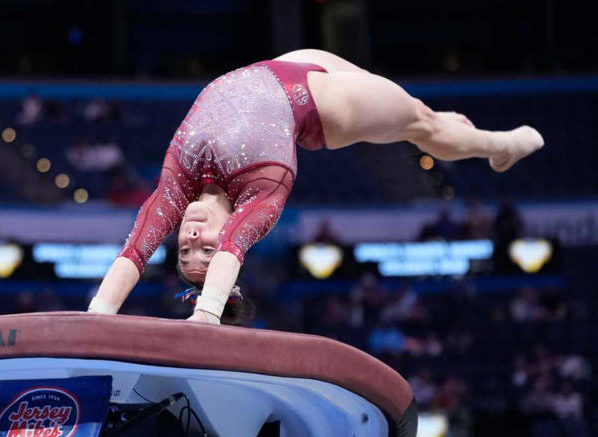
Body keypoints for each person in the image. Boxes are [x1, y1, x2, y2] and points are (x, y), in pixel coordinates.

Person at [88, 49, 544, 324]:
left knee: (414, 109)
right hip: (320, 106)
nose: (190, 239)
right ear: (226, 235)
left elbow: (134, 250)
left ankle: (442, 121)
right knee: (422, 124)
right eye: (204, 249)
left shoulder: (176, 187)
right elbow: (234, 249)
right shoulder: (263, 187)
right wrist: (206, 314)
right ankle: (502, 145)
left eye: (185, 251)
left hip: (283, 65)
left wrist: (96, 316)